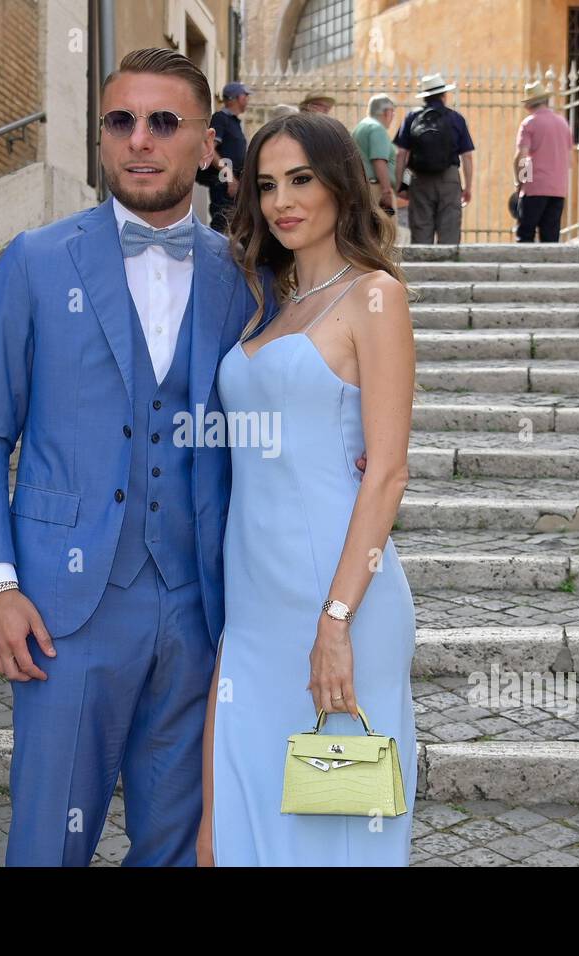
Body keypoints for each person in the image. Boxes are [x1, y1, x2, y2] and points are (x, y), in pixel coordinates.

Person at [0, 48, 363, 867]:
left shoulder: (247, 278)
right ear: (102, 138)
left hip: (202, 609)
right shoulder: (34, 263)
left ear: (207, 143)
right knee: (44, 843)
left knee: (178, 847)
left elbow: (286, 405)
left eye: (164, 122)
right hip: (63, 611)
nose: (140, 140)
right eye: (121, 121)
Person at [201, 109, 417, 866]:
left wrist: (335, 621)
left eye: (300, 179)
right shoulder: (271, 304)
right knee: (238, 832)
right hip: (254, 606)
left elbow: (387, 469)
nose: (282, 201)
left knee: (335, 830)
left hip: (341, 600)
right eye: (265, 185)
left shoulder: (376, 297)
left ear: (339, 185)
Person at [393, 72, 475, 244]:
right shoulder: (456, 118)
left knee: (421, 228)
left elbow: (401, 154)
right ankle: (449, 267)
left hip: (419, 178)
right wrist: (467, 187)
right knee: (449, 229)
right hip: (449, 178)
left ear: (425, 97)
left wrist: (401, 185)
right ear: (444, 96)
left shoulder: (412, 117)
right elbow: (467, 156)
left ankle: (422, 268)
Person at [512, 79, 574, 243]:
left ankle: (524, 268)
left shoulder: (529, 123)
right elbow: (570, 159)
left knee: (525, 234)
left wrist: (521, 181)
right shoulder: (563, 123)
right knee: (551, 237)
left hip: (535, 186)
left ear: (528, 105)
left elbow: (522, 156)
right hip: (558, 187)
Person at [207, 81, 250, 233]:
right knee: (222, 223)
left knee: (233, 226)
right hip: (224, 182)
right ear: (234, 98)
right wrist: (229, 176)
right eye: (245, 96)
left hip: (233, 182)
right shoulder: (220, 118)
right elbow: (208, 149)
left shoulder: (234, 122)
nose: (247, 99)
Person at [352, 93, 398, 216]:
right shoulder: (377, 128)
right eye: (392, 112)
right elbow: (379, 161)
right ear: (387, 112)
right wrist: (386, 192)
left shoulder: (361, 126)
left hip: (363, 187)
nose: (393, 116)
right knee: (384, 232)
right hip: (376, 189)